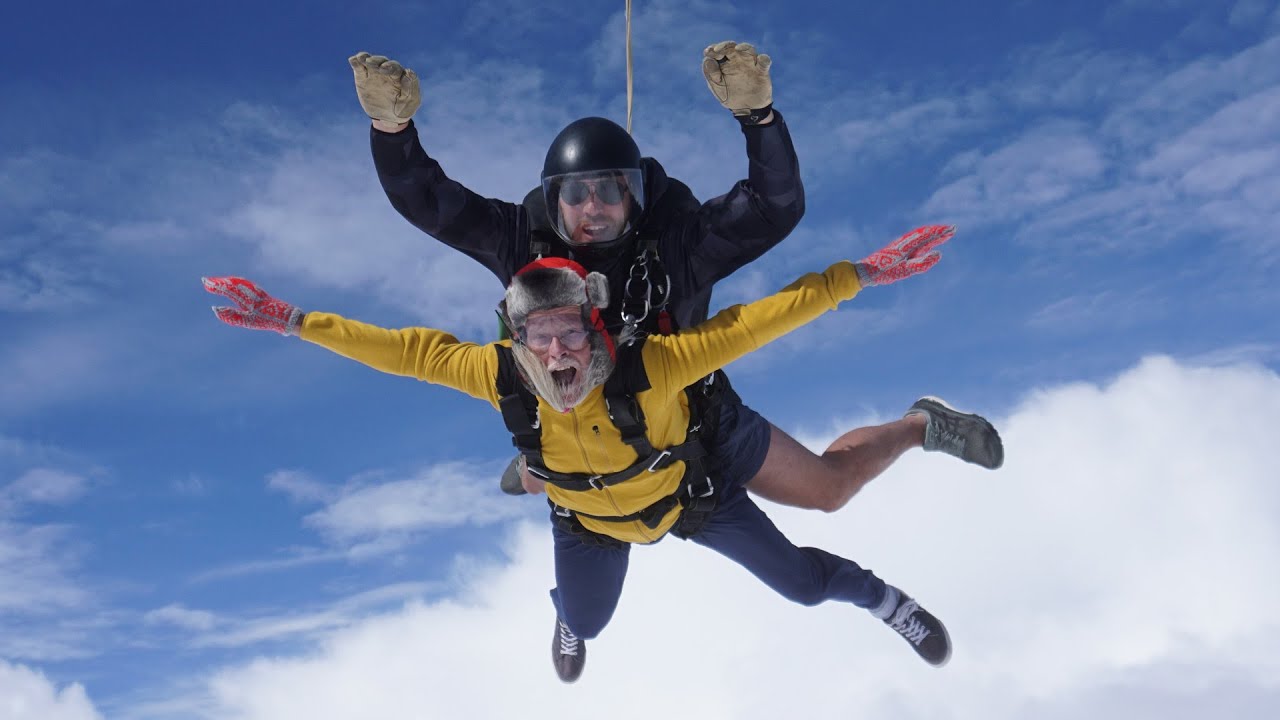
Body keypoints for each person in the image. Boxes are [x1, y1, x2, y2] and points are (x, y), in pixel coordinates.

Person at [204, 223, 1003, 683]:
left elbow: (756, 322)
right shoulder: (497, 373)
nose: (554, 352)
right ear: (517, 338)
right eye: (537, 336)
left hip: (689, 500)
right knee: (587, 619)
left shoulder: (649, 363)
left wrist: (854, 275)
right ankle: (557, 555)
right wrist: (292, 320)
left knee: (799, 585)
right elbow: (401, 351)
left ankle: (881, 599)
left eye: (567, 333)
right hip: (586, 520)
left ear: (592, 329)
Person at [348, 46, 1002, 515]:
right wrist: (392, 130)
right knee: (548, 441)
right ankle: (537, 469)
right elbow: (434, 205)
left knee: (826, 492)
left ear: (636, 196)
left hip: (689, 408)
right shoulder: (523, 240)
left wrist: (760, 121)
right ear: (554, 200)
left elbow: (772, 208)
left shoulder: (678, 248)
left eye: (612, 190)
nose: (595, 206)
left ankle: (922, 424)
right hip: (568, 405)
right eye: (577, 193)